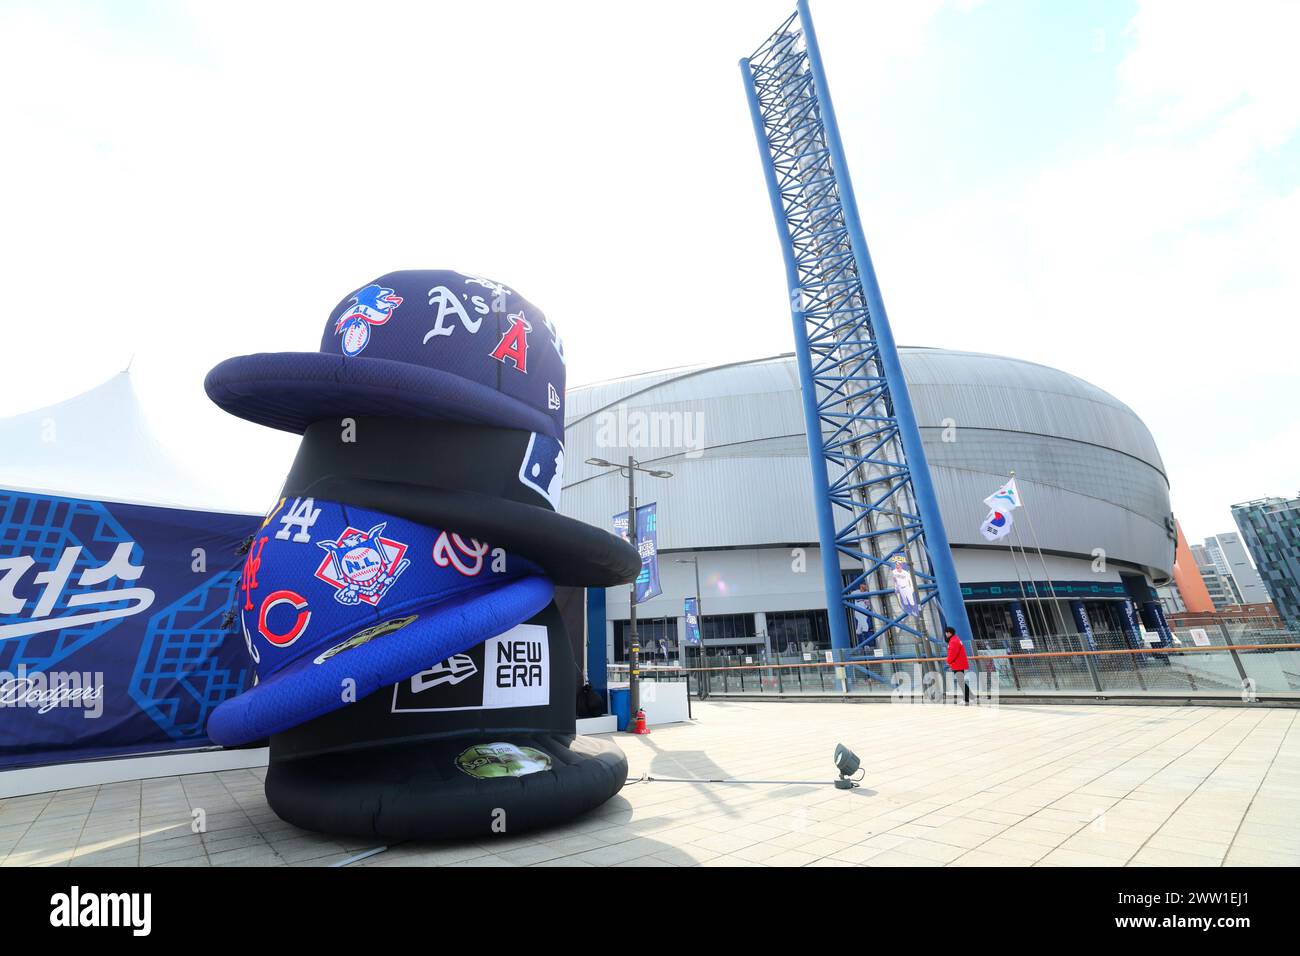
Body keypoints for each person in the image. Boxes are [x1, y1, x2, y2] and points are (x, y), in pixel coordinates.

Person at [945, 626, 973, 705]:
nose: (946, 634)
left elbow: (952, 653)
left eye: (946, 633)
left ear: (949, 633)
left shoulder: (953, 641)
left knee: (961, 682)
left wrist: (948, 661)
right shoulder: (955, 639)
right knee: (961, 681)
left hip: (958, 664)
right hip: (959, 664)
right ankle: (970, 697)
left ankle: (967, 699)